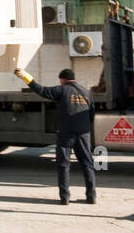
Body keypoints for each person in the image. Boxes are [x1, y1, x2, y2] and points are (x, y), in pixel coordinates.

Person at [14, 66, 96, 205]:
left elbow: (41, 90)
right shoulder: (86, 92)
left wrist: (25, 76)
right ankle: (91, 196)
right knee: (87, 164)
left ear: (63, 79)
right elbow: (91, 114)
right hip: (83, 133)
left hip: (66, 133)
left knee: (64, 165)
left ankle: (65, 197)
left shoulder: (61, 90)